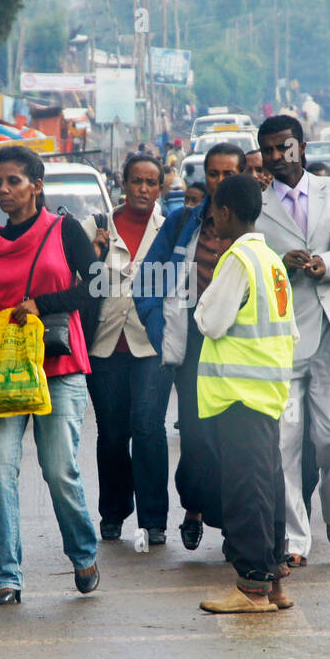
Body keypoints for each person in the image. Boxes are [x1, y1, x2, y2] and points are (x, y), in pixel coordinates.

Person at [0, 146, 100, 605]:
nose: (3, 190)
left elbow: (95, 287)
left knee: (60, 471)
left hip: (58, 367)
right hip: (3, 376)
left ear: (36, 186)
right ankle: (8, 577)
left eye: (13, 181)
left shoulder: (64, 230)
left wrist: (45, 305)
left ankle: (82, 554)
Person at [257, 114, 330, 566]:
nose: (274, 158)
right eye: (266, 150)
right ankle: (294, 540)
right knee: (284, 441)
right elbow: (250, 262)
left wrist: (326, 263)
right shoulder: (259, 204)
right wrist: (279, 264)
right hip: (283, 335)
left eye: (282, 148)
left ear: (301, 148)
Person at [133, 141, 245, 552]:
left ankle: (235, 525)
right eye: (213, 174)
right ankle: (195, 506)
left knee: (234, 437)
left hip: (240, 343)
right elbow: (147, 282)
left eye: (228, 174)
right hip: (194, 340)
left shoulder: (257, 224)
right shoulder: (183, 223)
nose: (219, 182)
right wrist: (163, 331)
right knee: (197, 439)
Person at [194, 174, 298, 613]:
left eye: (215, 209)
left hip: (239, 394)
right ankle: (273, 582)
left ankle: (252, 586)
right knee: (267, 486)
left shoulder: (237, 258)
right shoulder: (271, 259)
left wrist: (201, 304)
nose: (212, 218)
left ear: (226, 212)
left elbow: (210, 320)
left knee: (245, 491)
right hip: (267, 390)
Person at [83, 153, 170, 544]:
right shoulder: (96, 227)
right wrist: (95, 256)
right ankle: (113, 513)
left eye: (152, 183)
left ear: (160, 188)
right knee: (113, 434)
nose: (144, 189)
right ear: (123, 182)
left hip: (151, 345)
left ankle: (154, 519)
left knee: (149, 428)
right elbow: (76, 278)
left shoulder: (168, 231)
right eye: (137, 181)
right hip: (103, 345)